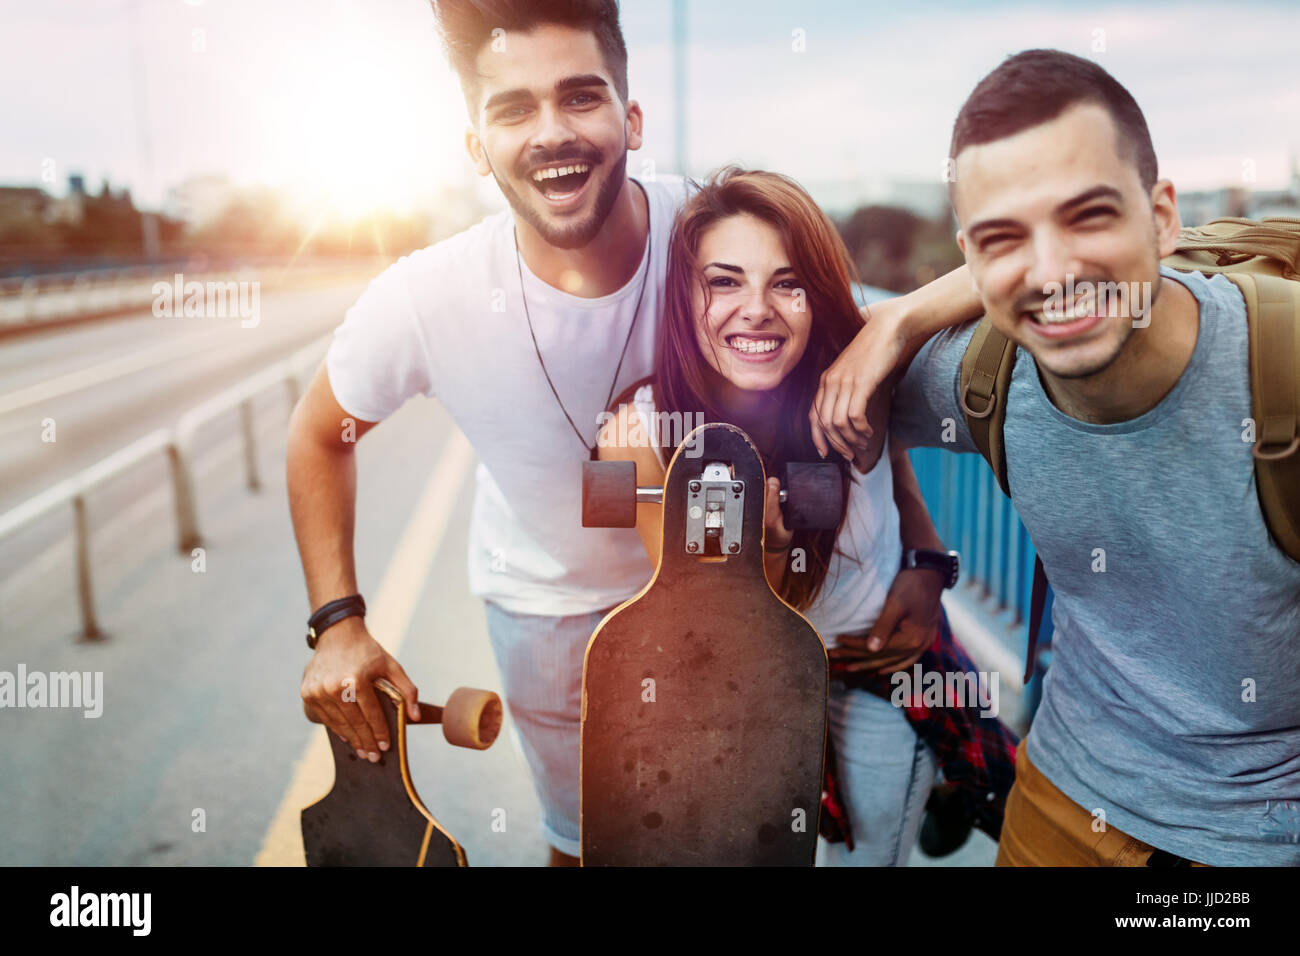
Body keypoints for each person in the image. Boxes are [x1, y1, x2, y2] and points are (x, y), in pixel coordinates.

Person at [286, 0, 948, 865]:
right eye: (513, 108)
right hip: (554, 603)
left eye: (580, 96)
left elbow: (851, 367)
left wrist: (926, 551)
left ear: (631, 119)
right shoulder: (427, 298)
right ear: (475, 146)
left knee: (733, 832)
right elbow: (317, 434)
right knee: (592, 844)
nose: (551, 131)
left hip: (753, 600)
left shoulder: (713, 234)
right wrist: (338, 622)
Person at [885, 49, 1300, 866]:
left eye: (1089, 217)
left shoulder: (1278, 369)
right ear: (970, 262)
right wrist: (887, 333)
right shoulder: (976, 377)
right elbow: (789, 404)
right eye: (1005, 237)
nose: (1053, 270)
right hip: (1066, 799)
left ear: (1164, 217)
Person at [598, 166, 1018, 864]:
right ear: (683, 295)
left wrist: (928, 564)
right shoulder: (639, 436)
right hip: (752, 692)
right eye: (724, 281)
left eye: (787, 282)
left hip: (880, 671)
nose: (756, 308)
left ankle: (939, 790)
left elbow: (1023, 266)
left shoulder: (860, 365)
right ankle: (943, 798)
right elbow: (707, 627)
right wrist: (765, 549)